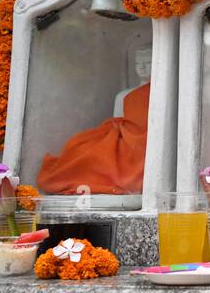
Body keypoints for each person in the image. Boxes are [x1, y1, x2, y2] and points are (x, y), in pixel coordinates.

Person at [37, 48, 151, 194]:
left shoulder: (161, 94)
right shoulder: (124, 95)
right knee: (79, 145)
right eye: (138, 63)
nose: (141, 67)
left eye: (147, 62)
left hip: (144, 141)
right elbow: (117, 121)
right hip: (123, 137)